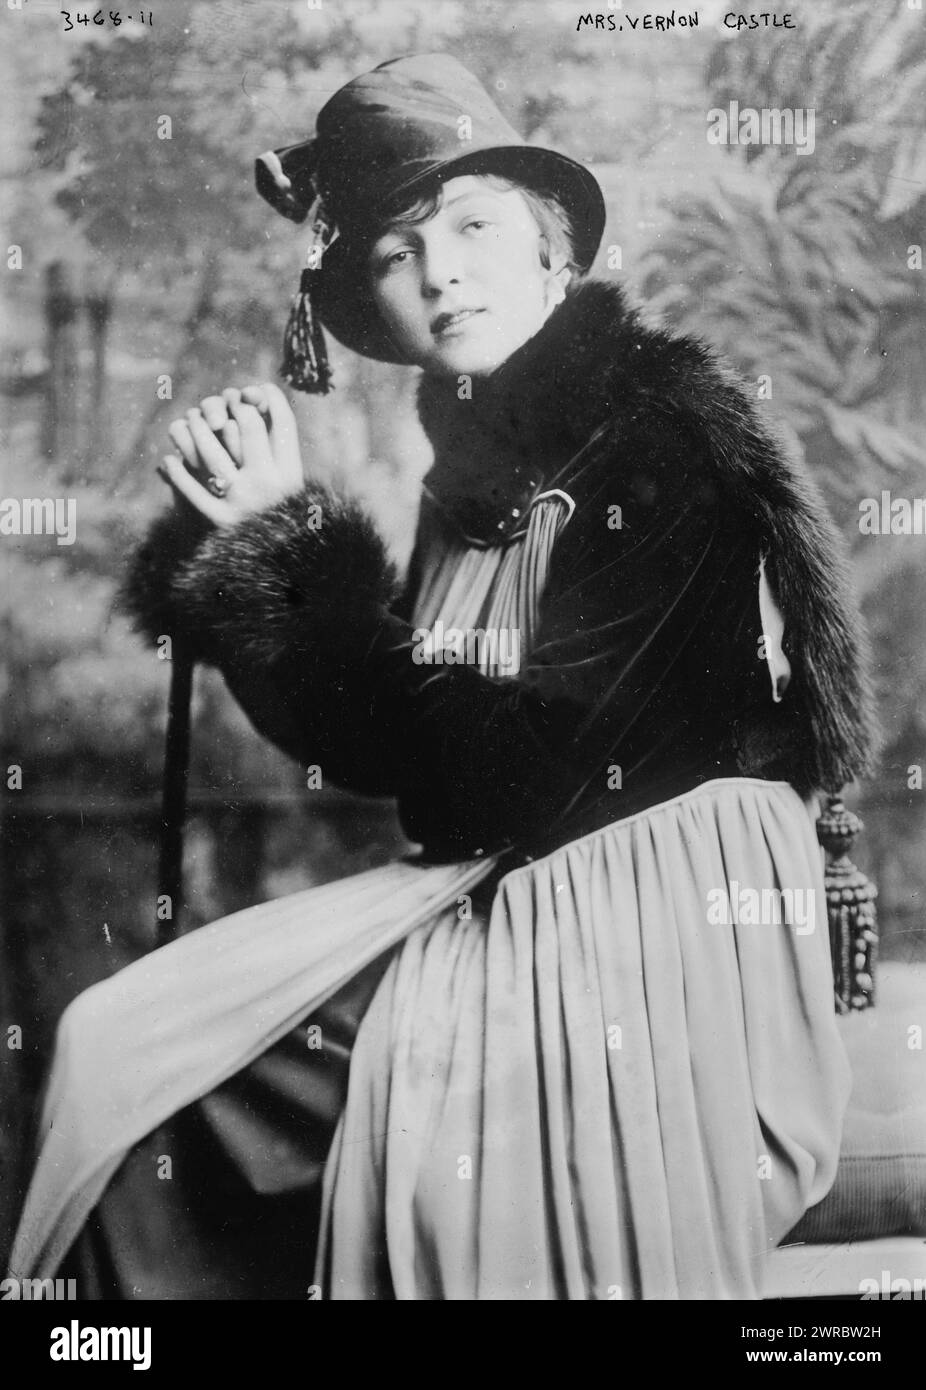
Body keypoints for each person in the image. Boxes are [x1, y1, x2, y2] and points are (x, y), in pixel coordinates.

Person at [10, 54, 874, 1300]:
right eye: (396, 254)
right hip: (513, 868)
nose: (440, 272)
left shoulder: (655, 436)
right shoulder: (465, 474)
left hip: (656, 908)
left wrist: (297, 553)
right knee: (113, 1043)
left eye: (473, 228)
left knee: (187, 1079)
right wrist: (252, 540)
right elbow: (394, 751)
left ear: (553, 258)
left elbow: (524, 766)